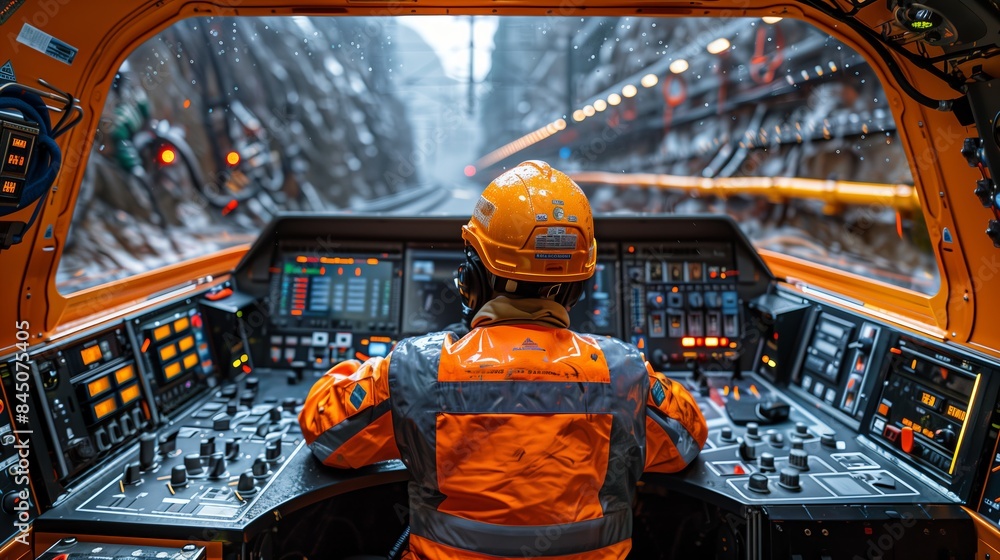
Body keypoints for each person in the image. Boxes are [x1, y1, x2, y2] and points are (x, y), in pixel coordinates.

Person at [299, 160, 708, 559]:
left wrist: (360, 370)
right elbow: (688, 437)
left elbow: (326, 433)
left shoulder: (415, 370)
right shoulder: (624, 374)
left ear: (472, 278)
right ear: (578, 284)